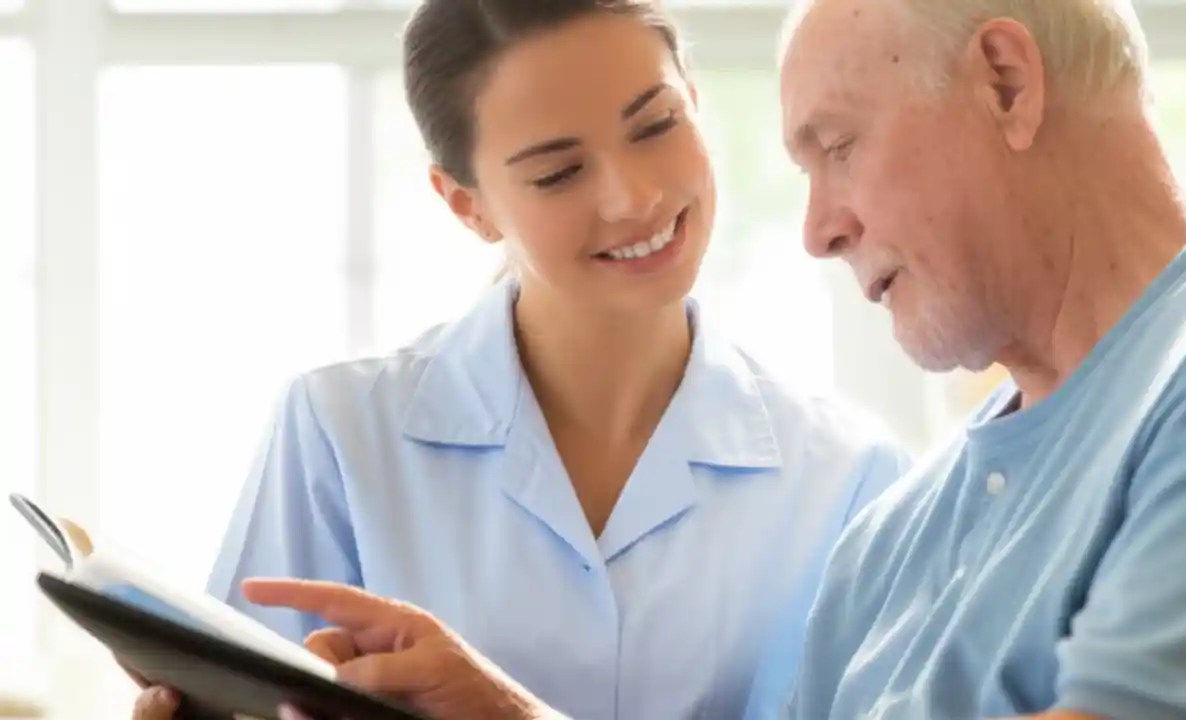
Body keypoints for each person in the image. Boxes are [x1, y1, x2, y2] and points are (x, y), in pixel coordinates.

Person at [203, 0, 1186, 718]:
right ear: (466, 204)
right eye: (555, 169)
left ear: (1004, 82)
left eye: (838, 146)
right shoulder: (900, 536)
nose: (812, 230)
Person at [128, 1, 911, 718]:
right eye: (558, 173)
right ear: (465, 204)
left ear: (696, 103)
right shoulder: (338, 438)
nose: (633, 196)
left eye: (656, 124)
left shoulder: (851, 481)